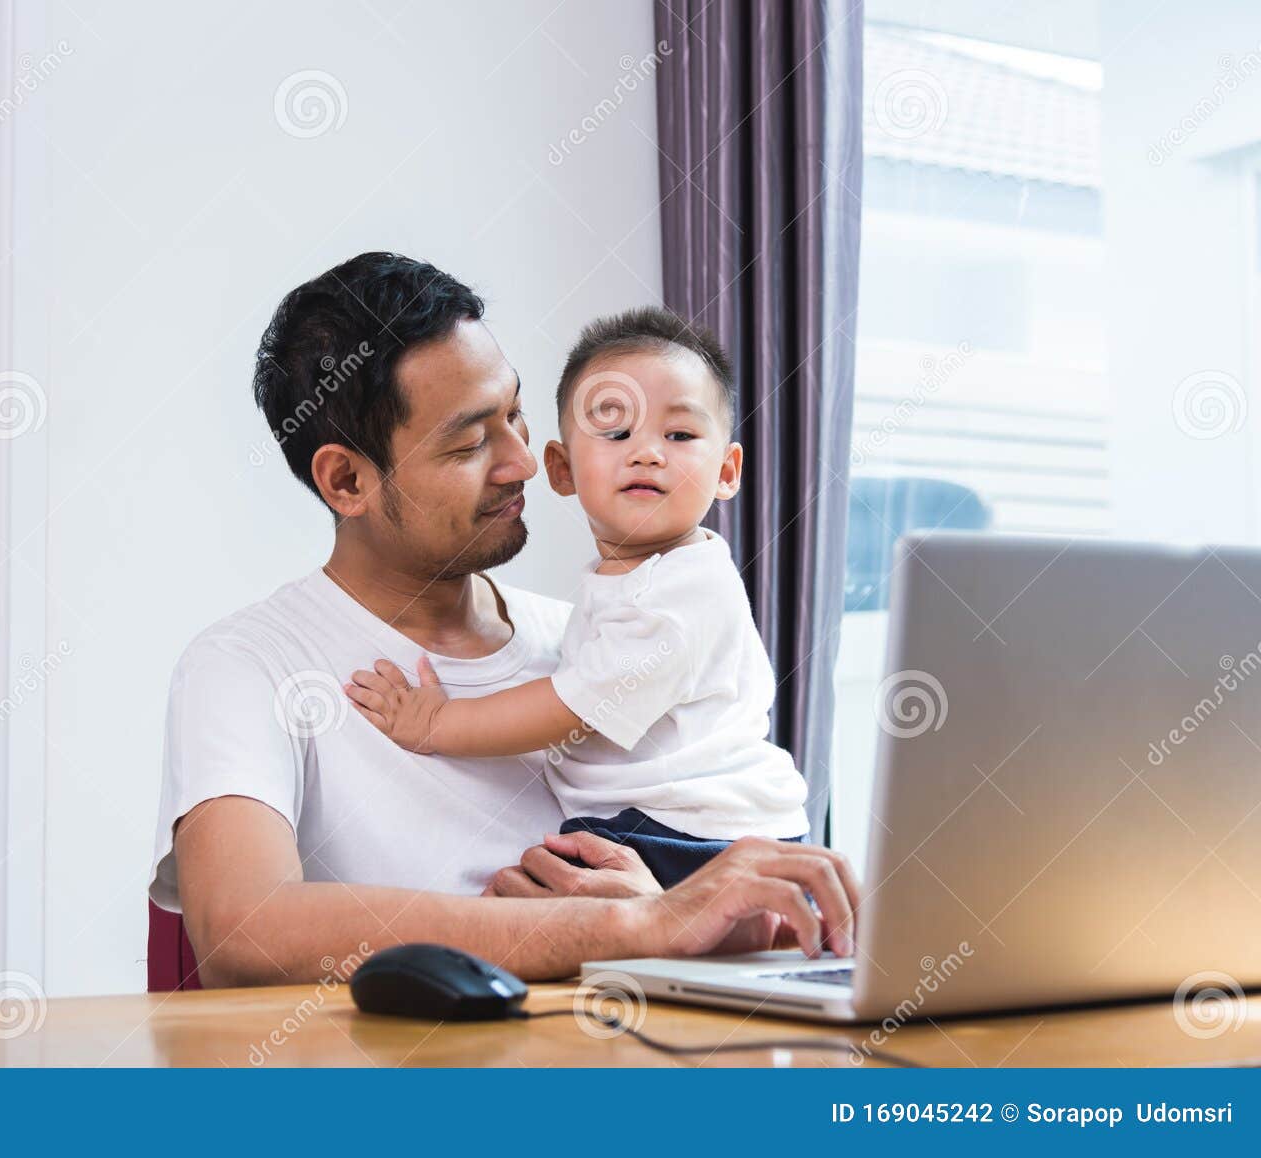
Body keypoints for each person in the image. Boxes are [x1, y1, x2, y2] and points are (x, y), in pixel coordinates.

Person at [150, 252, 857, 988]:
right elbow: (243, 930)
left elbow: (705, 908)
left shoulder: (590, 637)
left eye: (514, 412)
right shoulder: (248, 666)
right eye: (468, 442)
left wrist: (662, 918)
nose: (523, 461)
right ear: (348, 480)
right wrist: (627, 927)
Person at [345, 308, 809, 888]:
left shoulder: (684, 593)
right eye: (616, 433)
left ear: (727, 469)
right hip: (669, 824)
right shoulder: (635, 574)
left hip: (697, 832)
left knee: (526, 898)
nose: (647, 453)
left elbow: (570, 707)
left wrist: (438, 723)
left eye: (681, 435)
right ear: (562, 470)